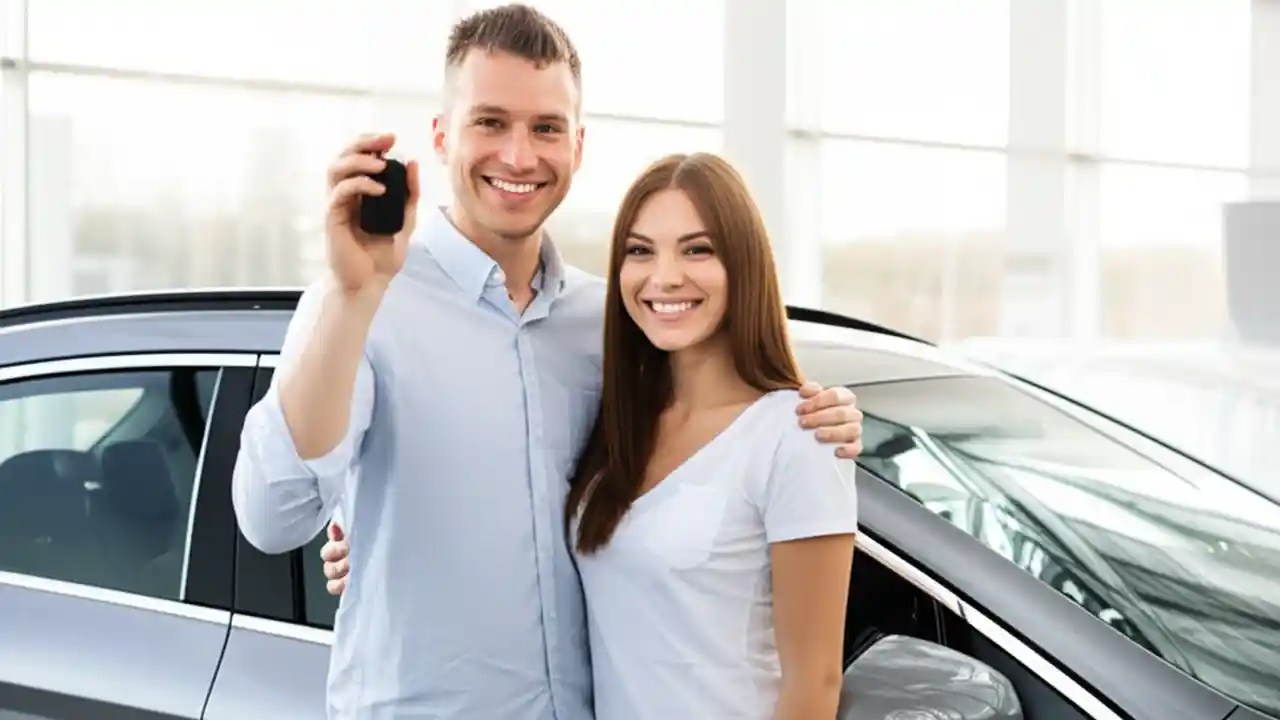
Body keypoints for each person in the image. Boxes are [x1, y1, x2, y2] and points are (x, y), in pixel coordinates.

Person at [231, 4, 863, 719]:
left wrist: (823, 412)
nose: (520, 156)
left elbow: (725, 438)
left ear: (578, 146)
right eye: (490, 122)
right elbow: (272, 517)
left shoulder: (611, 325)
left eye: (546, 128)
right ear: (442, 137)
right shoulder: (362, 303)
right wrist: (352, 297)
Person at [328, 151, 859, 719]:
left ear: (745, 264)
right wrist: (371, 541)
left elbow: (815, 685)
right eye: (640, 251)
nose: (665, 276)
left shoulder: (799, 434)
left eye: (697, 249)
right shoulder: (618, 420)